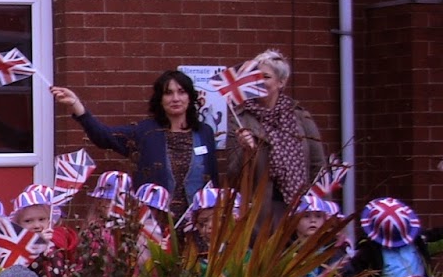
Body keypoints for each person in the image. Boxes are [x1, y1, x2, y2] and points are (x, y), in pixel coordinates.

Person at [51, 70, 219, 219]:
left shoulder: (205, 133)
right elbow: (103, 137)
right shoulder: (145, 132)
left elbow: (213, 178)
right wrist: (76, 105)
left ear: (190, 97)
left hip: (198, 222)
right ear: (160, 99)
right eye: (168, 93)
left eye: (181, 92)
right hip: (154, 224)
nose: (175, 98)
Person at [228, 49, 327, 217]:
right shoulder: (240, 119)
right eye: (255, 76)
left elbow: (319, 168)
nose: (259, 81)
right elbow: (232, 175)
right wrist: (246, 151)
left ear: (281, 82)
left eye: (266, 77)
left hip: (300, 211)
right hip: (259, 213)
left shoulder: (300, 117)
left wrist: (323, 211)